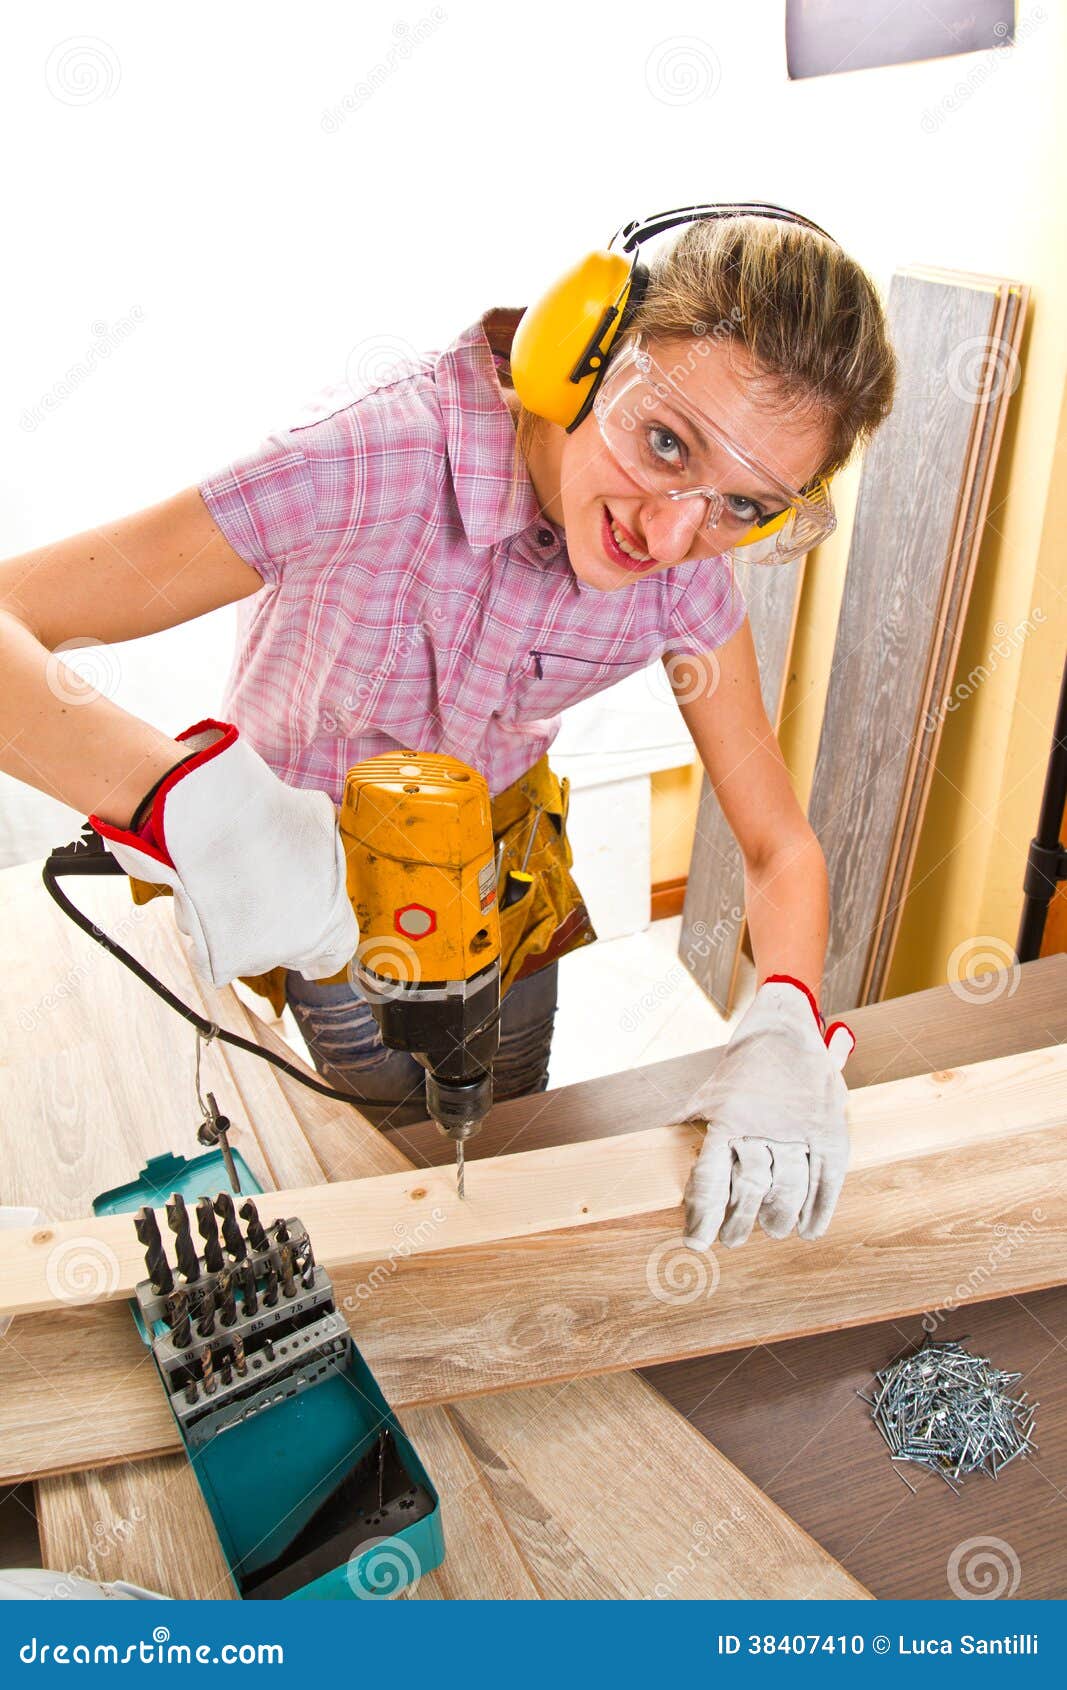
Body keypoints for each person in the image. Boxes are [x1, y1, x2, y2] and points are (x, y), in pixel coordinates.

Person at [0, 204, 896, 1251]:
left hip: (504, 862)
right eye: (662, 441)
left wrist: (786, 1012)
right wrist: (177, 799)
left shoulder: (683, 578)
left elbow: (775, 843)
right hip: (312, 871)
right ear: (576, 354)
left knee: (504, 1129)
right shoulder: (365, 461)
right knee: (379, 1149)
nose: (669, 532)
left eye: (742, 505)